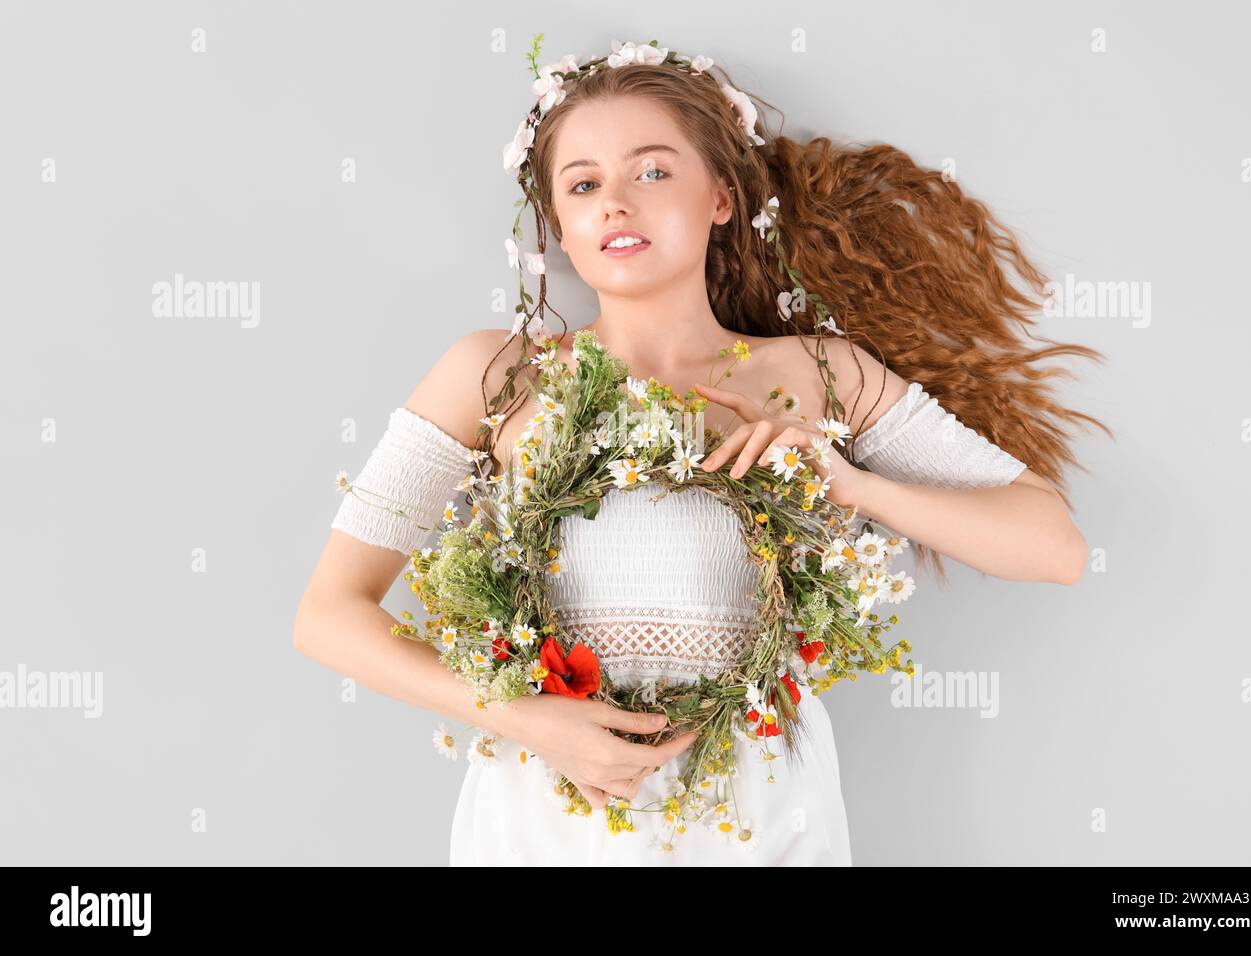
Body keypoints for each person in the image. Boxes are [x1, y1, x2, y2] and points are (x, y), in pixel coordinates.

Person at [294, 40, 1105, 865]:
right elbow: (329, 615)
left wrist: (851, 486)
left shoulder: (823, 373)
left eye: (651, 172)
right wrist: (524, 718)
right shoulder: (493, 377)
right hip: (552, 808)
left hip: (758, 811)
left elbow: (1055, 545)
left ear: (721, 196)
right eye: (583, 185)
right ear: (559, 228)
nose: (616, 203)